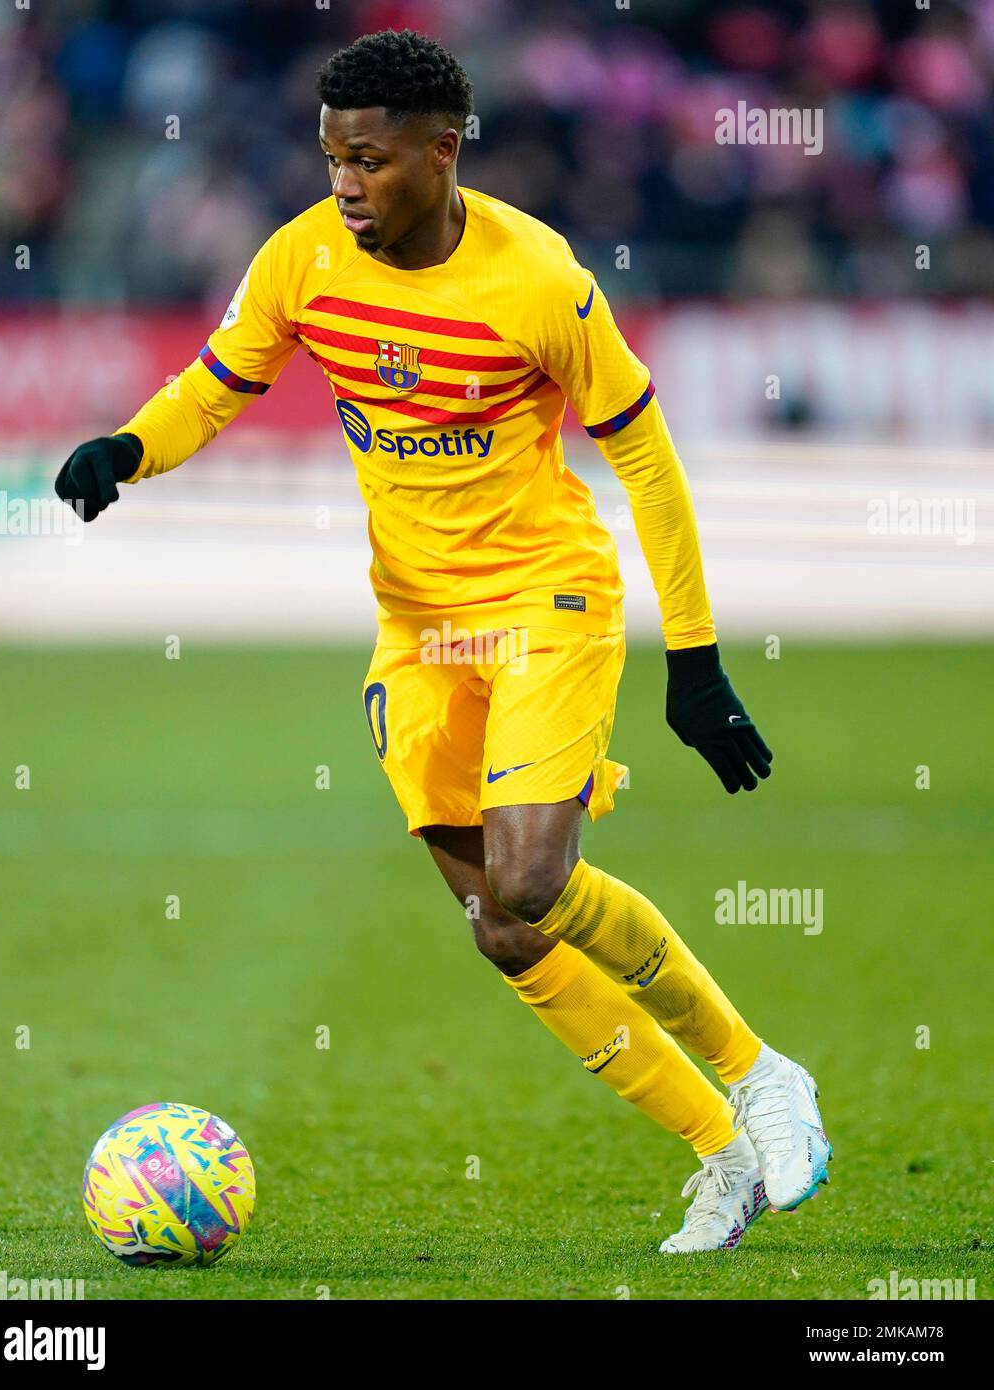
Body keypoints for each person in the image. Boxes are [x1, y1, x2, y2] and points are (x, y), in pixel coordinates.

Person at [55, 28, 830, 1252]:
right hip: (417, 629)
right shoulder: (304, 259)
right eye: (330, 160)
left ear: (441, 148)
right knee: (504, 927)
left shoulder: (537, 278)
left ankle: (759, 1071)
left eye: (367, 160)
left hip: (542, 600)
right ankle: (720, 1155)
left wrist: (695, 656)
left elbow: (644, 453)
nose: (345, 186)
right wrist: (129, 448)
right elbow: (214, 382)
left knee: (530, 875)